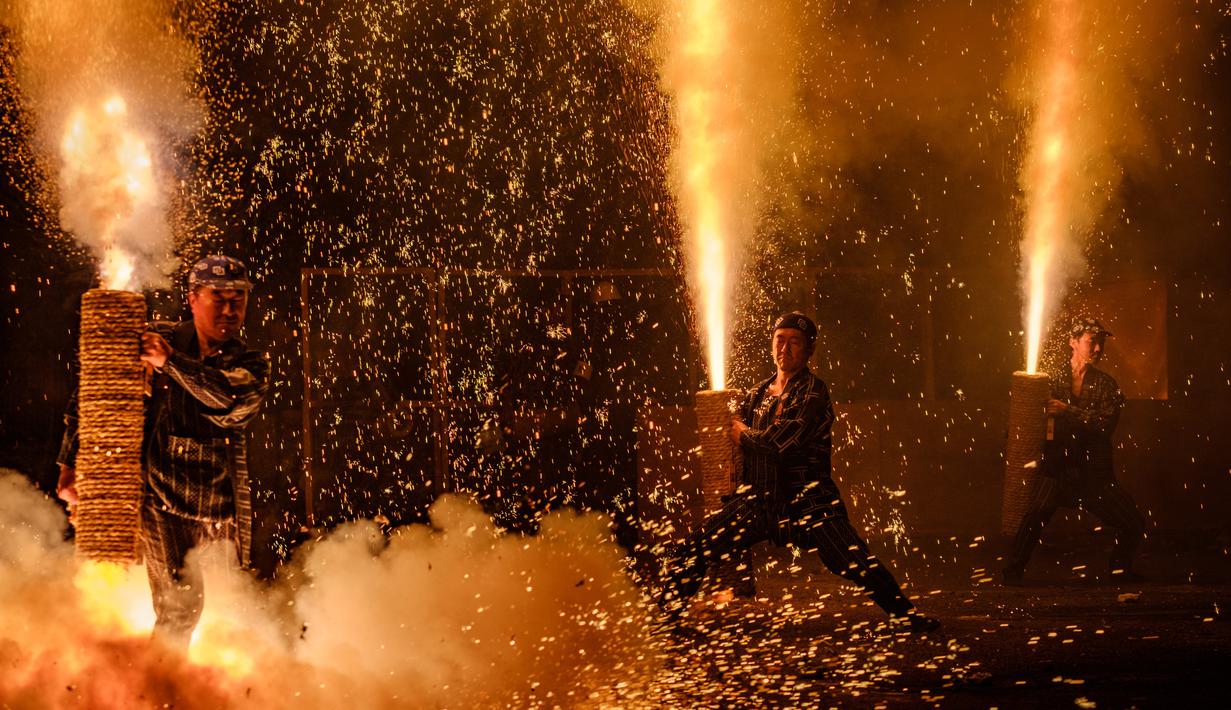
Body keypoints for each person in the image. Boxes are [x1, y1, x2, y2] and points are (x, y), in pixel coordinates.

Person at [659, 312, 938, 632]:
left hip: (809, 501)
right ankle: (666, 619)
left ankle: (906, 615)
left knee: (853, 560)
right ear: (771, 345)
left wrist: (742, 434)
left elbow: (779, 444)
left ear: (808, 350)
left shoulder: (814, 393)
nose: (786, 349)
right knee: (695, 546)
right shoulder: (757, 395)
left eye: (795, 343)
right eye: (780, 340)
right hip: (759, 502)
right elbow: (740, 450)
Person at [57, 255, 269, 647]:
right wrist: (70, 463)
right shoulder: (157, 339)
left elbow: (227, 401)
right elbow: (94, 393)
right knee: (181, 607)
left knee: (233, 611)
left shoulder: (249, 363)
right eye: (217, 298)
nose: (229, 309)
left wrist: (170, 363)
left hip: (218, 508)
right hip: (161, 502)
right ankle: (161, 696)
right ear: (192, 299)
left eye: (237, 299)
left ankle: (213, 692)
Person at [1003, 318, 1147, 585]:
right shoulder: (1050, 379)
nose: (1098, 349)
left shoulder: (1107, 385)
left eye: (1101, 343)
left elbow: (1104, 425)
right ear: (1073, 342)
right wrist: (1018, 440)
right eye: (1092, 341)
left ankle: (1120, 571)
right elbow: (1026, 420)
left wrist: (1067, 411)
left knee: (1134, 523)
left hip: (1094, 473)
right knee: (1033, 519)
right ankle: (1011, 574)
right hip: (1059, 468)